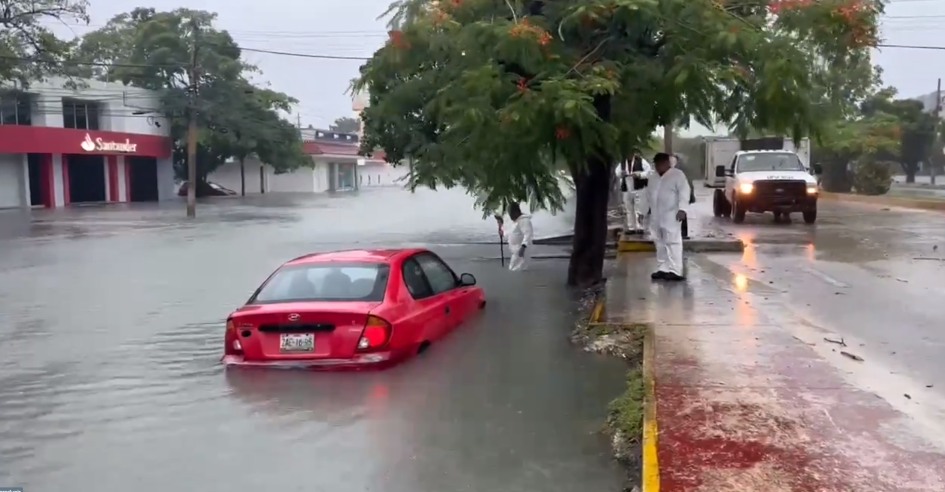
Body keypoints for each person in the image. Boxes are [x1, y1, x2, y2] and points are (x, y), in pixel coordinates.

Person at [646, 152, 691, 281]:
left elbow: (684, 192)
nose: (657, 166)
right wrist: (645, 211)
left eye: (660, 163)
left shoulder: (677, 175)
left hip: (671, 214)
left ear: (667, 163)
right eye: (656, 164)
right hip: (656, 214)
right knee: (659, 242)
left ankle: (676, 270)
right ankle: (663, 268)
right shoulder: (653, 177)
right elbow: (649, 194)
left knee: (673, 241)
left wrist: (682, 209)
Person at [670, 154, 696, 240]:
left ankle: (683, 234)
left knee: (682, 213)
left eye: (673, 160)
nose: (671, 162)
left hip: (680, 195)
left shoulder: (682, 170)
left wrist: (691, 195)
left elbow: (689, 182)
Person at [507, 202, 534, 272]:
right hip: (516, 250)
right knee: (513, 269)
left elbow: (528, 234)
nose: (510, 216)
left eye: (511, 214)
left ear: (516, 212)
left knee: (517, 270)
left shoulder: (524, 221)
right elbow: (513, 233)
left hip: (521, 250)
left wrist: (523, 247)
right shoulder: (517, 221)